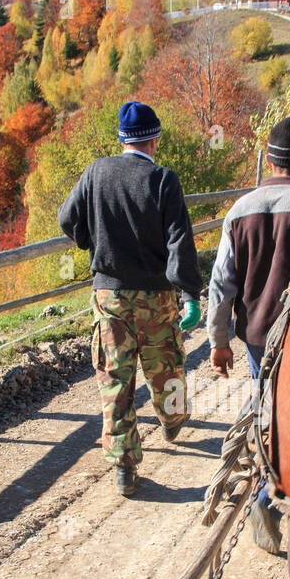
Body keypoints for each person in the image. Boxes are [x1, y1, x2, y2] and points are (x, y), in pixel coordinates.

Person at [58, 101, 202, 497]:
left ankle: (124, 467)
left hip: (110, 296)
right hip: (157, 297)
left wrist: (93, 243)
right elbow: (179, 241)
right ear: (154, 138)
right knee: (167, 368)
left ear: (122, 139)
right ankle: (172, 421)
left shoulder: (96, 173)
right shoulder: (163, 180)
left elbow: (67, 219)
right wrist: (189, 292)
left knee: (116, 381)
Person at [207, 117, 290, 552]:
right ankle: (284, 493)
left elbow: (222, 282)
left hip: (259, 336)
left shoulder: (240, 210)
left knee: (269, 414)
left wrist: (219, 340)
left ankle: (268, 490)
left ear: (268, 159)